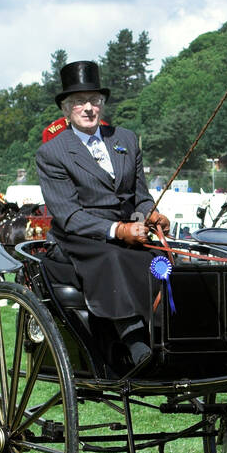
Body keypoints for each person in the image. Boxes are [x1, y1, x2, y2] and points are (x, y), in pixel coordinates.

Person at [36, 59, 169, 371]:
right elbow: (68, 215)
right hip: (78, 236)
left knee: (172, 256)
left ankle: (170, 333)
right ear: (67, 109)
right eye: (80, 102)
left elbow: (140, 196)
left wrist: (151, 215)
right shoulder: (52, 153)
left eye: (94, 101)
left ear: (103, 105)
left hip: (129, 231)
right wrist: (119, 231)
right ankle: (133, 336)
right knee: (114, 257)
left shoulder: (125, 140)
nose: (88, 108)